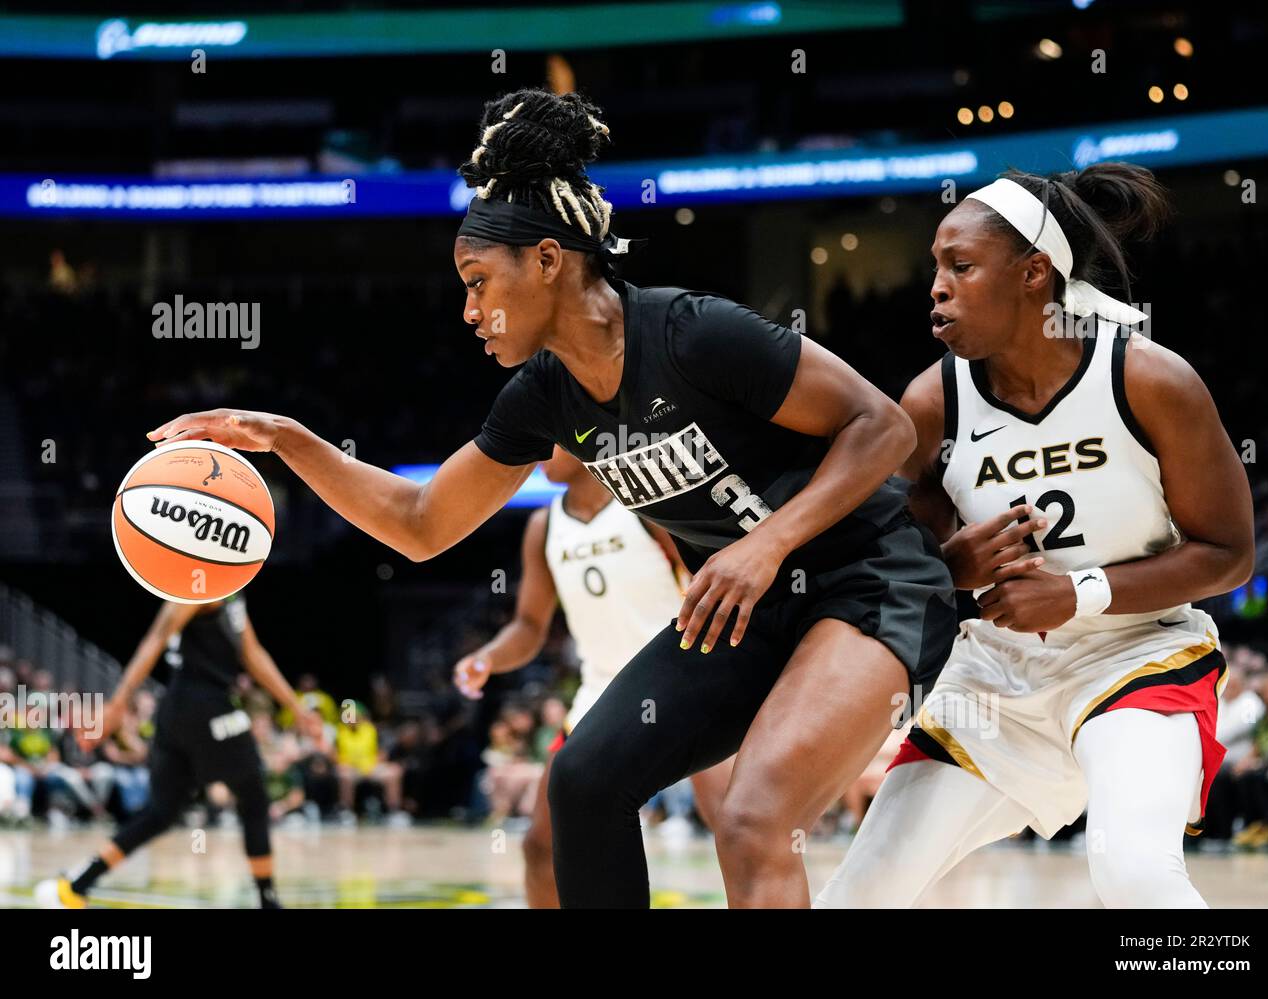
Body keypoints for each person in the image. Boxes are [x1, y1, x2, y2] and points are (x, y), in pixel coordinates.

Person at [144, 87, 957, 908]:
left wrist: (767, 542)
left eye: (477, 282)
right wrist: (287, 438)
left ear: (545, 260)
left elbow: (882, 427)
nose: (469, 311)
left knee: (751, 819)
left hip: (868, 580)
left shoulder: (692, 332)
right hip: (750, 608)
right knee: (581, 781)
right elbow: (421, 523)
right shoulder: (542, 397)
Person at [816, 164, 1254, 908]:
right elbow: (892, 566)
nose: (936, 287)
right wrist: (947, 569)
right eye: (935, 268)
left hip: (1135, 658)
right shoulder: (931, 401)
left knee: (1134, 874)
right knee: (856, 897)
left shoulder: (1149, 379)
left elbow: (1230, 554)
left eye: (960, 266)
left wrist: (1079, 593)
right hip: (992, 680)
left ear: (1033, 273)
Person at [453, 445, 732, 906]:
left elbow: (705, 574)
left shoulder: (646, 505)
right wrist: (488, 657)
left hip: (682, 680)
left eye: (549, 439)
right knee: (540, 845)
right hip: (599, 693)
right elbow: (529, 626)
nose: (538, 451)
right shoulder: (543, 526)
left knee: (735, 826)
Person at [35, 594, 322, 909]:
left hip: (177, 714)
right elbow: (155, 639)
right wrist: (117, 704)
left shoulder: (232, 593)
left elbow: (252, 653)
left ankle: (76, 885)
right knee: (254, 798)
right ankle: (268, 901)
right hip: (206, 707)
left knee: (161, 812)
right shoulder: (200, 585)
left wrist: (295, 707)